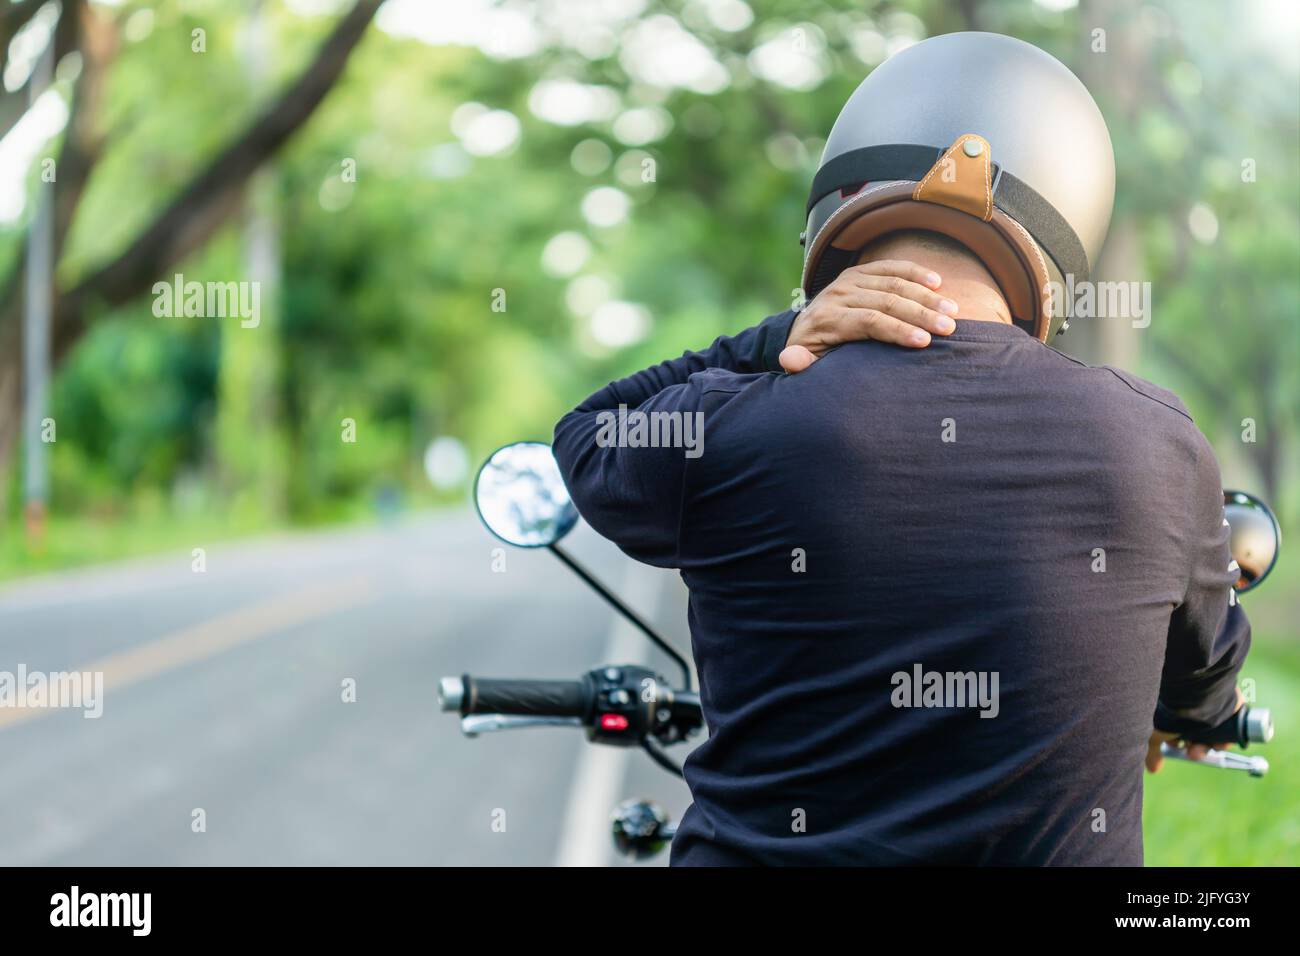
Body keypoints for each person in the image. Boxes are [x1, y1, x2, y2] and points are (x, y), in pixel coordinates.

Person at [551, 32, 1249, 865]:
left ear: (841, 206)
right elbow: (1208, 677)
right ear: (1065, 226)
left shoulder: (731, 423)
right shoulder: (1161, 447)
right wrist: (1194, 712)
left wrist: (778, 338)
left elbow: (586, 437)